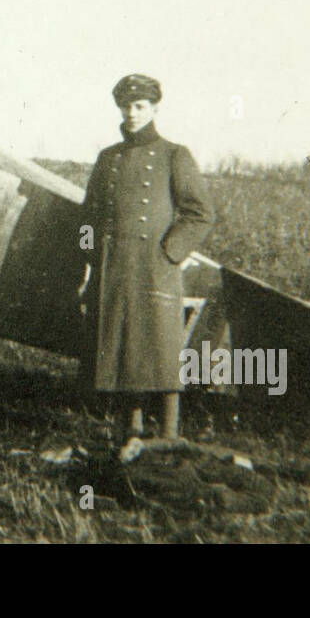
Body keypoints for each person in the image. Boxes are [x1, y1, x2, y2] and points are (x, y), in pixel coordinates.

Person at [80, 73, 214, 446]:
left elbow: (200, 212)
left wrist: (170, 252)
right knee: (124, 347)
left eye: (140, 106)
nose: (132, 113)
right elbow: (88, 217)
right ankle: (131, 431)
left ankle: (169, 436)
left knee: (160, 350)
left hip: (154, 269)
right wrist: (91, 260)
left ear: (154, 108)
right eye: (126, 106)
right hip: (114, 268)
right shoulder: (108, 158)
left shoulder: (174, 155)